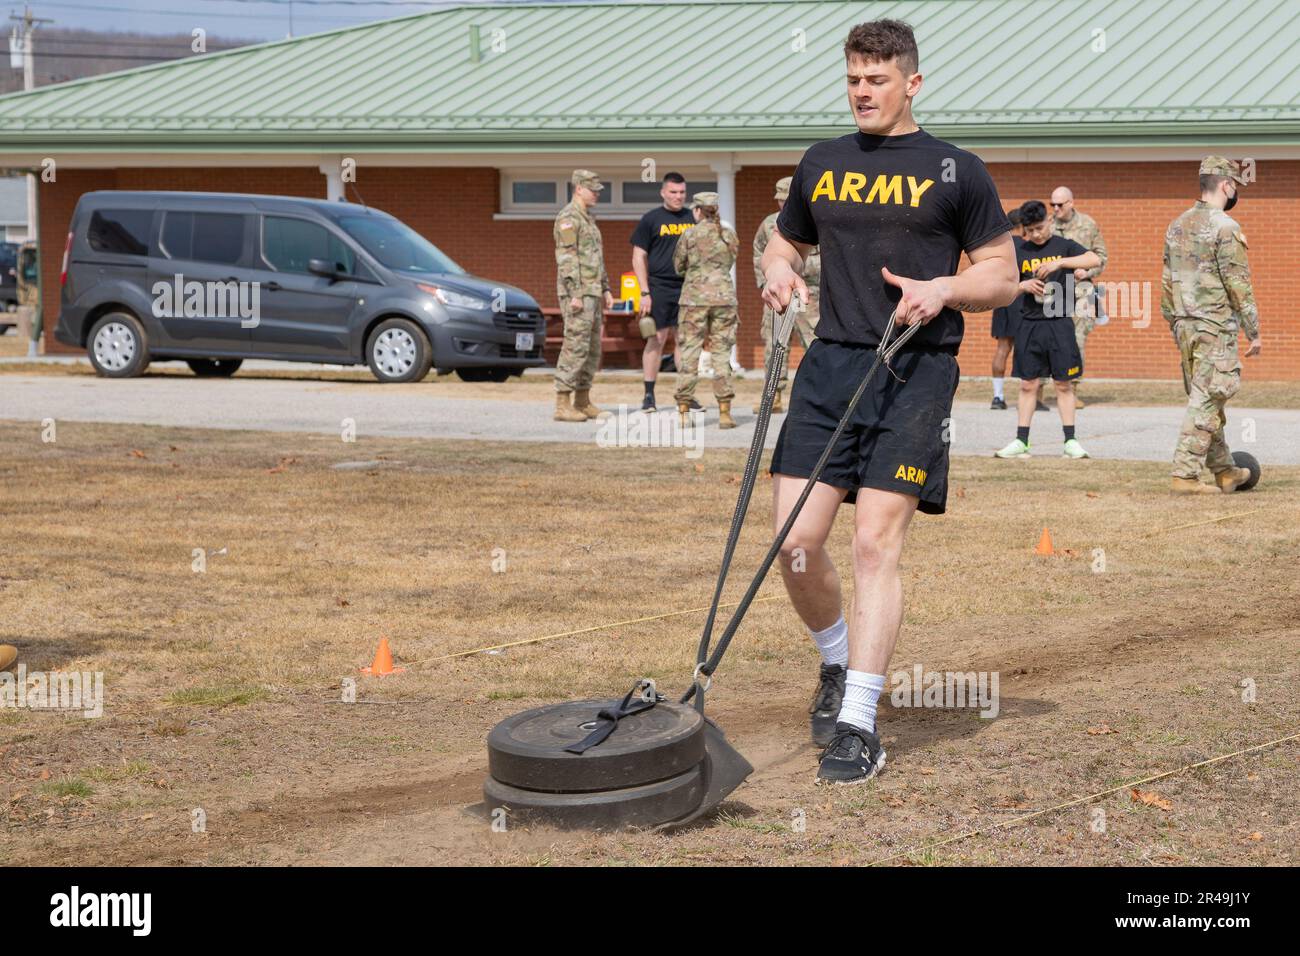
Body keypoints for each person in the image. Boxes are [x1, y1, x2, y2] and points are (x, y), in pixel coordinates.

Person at [760, 19, 1017, 784]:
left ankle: (858, 722)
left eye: (877, 78)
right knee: (795, 545)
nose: (862, 91)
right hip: (829, 367)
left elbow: (1001, 275)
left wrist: (944, 287)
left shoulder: (956, 170)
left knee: (874, 542)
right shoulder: (821, 162)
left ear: (912, 82)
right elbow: (784, 242)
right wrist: (777, 271)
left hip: (916, 371)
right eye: (852, 79)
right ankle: (836, 662)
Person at [1163, 156, 1260, 494]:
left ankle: (1225, 470)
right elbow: (1238, 284)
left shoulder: (1177, 225)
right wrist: (1254, 329)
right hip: (1215, 326)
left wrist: (1175, 322)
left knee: (1207, 396)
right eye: (1235, 186)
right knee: (1208, 397)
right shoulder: (1226, 227)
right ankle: (1186, 475)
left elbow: (1166, 280)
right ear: (1226, 185)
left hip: (1185, 325)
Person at [993, 201, 1100, 460]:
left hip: (1060, 322)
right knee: (1028, 384)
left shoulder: (1064, 247)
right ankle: (1021, 440)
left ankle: (1071, 440)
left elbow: (1094, 258)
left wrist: (1059, 264)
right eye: (1031, 230)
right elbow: (1001, 286)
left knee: (1063, 384)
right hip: (1029, 324)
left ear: (1049, 222)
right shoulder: (1020, 249)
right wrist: (1023, 285)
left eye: (1040, 228)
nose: (1037, 234)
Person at [752, 176, 820, 413]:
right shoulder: (770, 224)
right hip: (779, 295)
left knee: (815, 343)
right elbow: (759, 252)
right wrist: (765, 284)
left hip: (810, 295)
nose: (782, 204)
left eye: (786, 199)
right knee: (775, 345)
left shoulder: (814, 219)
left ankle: (819, 394)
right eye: (779, 200)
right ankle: (774, 395)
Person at [552, 169, 615, 423]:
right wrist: (575, 292)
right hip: (577, 293)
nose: (596, 194)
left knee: (592, 348)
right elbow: (567, 258)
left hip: (593, 291)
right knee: (575, 346)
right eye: (593, 189)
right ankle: (562, 403)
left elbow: (595, 258)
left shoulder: (588, 218)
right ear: (578, 188)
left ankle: (582, 399)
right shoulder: (568, 218)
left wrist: (606, 288)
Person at [673, 192, 740, 429]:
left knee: (690, 353)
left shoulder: (689, 234)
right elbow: (731, 262)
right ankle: (724, 413)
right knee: (721, 354)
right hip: (724, 298)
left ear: (698, 210)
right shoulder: (728, 234)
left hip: (694, 299)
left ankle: (683, 410)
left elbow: (679, 265)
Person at [631, 172, 695, 412]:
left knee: (684, 342)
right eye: (673, 192)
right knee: (656, 340)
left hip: (688, 289)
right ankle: (649, 396)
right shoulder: (651, 219)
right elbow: (639, 256)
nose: (678, 197)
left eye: (682, 193)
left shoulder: (693, 218)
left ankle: (685, 395)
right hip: (658, 287)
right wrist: (644, 291)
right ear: (663, 193)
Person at [1050, 186, 1107, 408]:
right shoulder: (1048, 226)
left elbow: (1102, 256)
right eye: (1052, 204)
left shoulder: (1088, 225)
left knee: (1077, 338)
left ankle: (1072, 390)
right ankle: (1041, 391)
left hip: (1081, 290)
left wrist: (1088, 272)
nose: (1055, 209)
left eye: (1060, 204)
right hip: (1053, 291)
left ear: (1071, 203)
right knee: (1050, 338)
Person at [989, 205, 1024, 409]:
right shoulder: (1027, 247)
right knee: (1026, 350)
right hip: (1022, 302)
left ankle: (998, 397)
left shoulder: (1000, 249)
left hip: (1002, 301)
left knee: (1002, 349)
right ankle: (1030, 397)